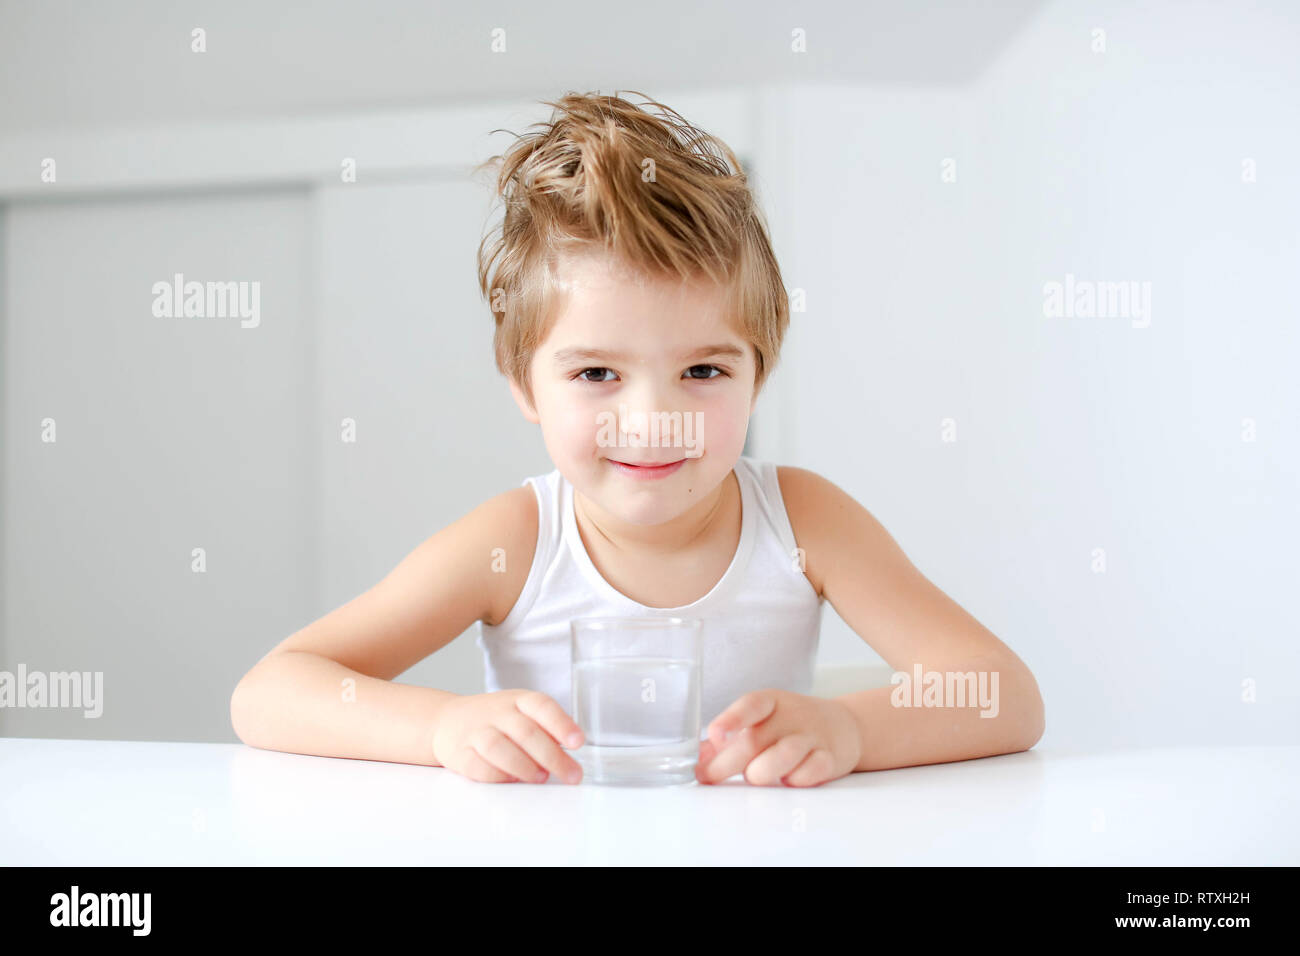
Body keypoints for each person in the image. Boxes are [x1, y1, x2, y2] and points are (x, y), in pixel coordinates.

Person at [231, 90, 1044, 787]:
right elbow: (271, 690)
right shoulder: (514, 543)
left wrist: (851, 731)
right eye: (595, 375)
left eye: (702, 372)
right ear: (524, 387)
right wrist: (442, 729)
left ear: (757, 376)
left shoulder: (803, 521)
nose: (654, 419)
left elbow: (1001, 692)